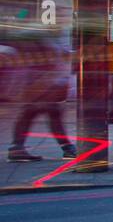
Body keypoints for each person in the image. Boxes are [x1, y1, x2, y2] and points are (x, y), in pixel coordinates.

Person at [6, 31, 78, 162]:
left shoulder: (46, 39)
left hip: (39, 83)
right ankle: (67, 148)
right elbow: (48, 60)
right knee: (48, 113)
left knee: (35, 114)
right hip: (41, 84)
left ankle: (17, 148)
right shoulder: (40, 41)